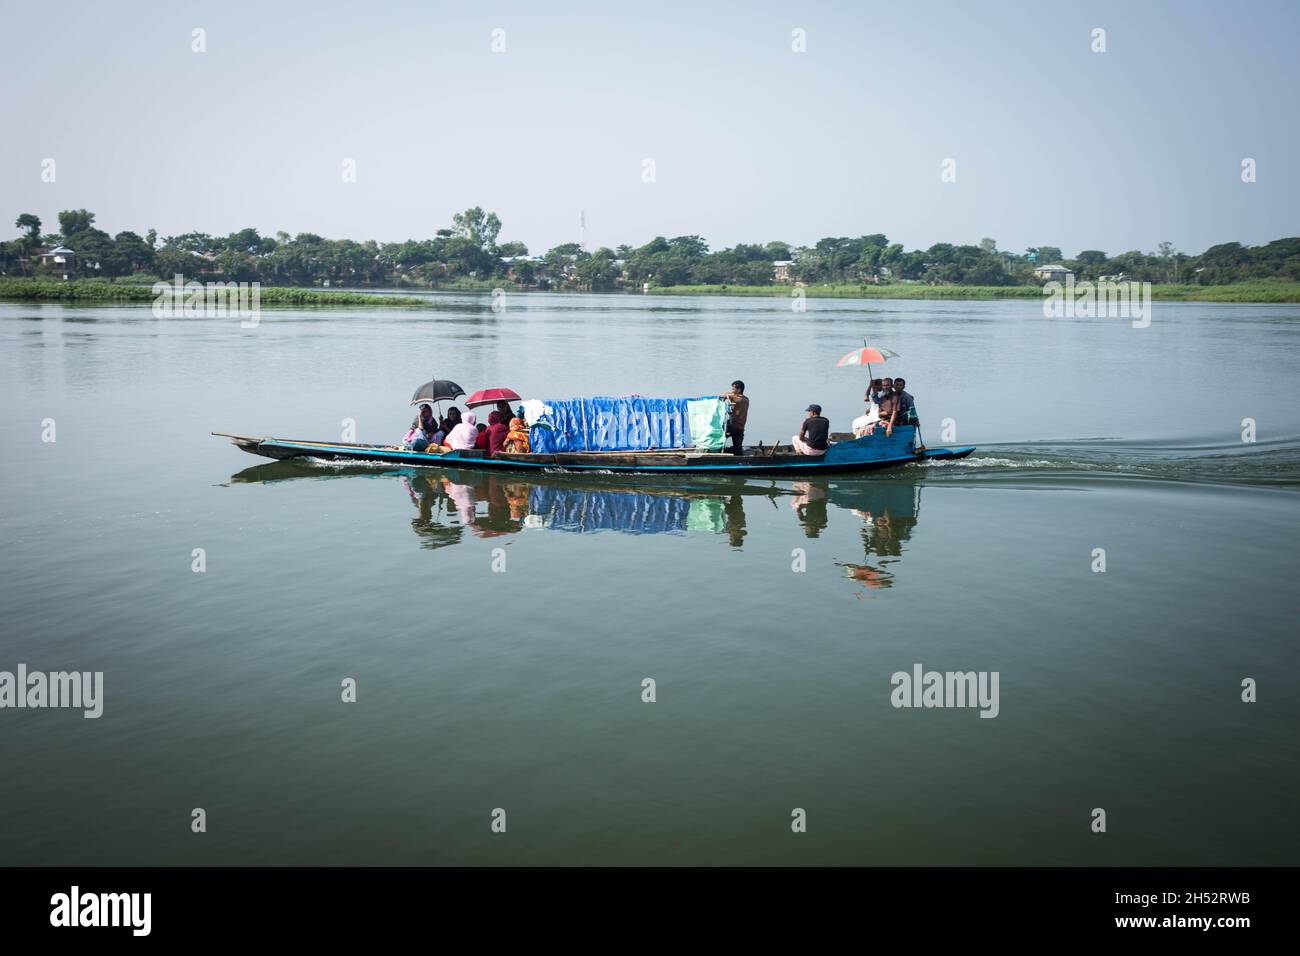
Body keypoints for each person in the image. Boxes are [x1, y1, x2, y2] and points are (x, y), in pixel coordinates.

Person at [721, 380, 749, 455]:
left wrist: (728, 394)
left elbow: (725, 396)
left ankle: (719, 452)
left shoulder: (737, 398)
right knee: (738, 448)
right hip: (740, 428)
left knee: (719, 438)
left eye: (733, 389)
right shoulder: (746, 399)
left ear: (739, 389)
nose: (732, 391)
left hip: (732, 425)